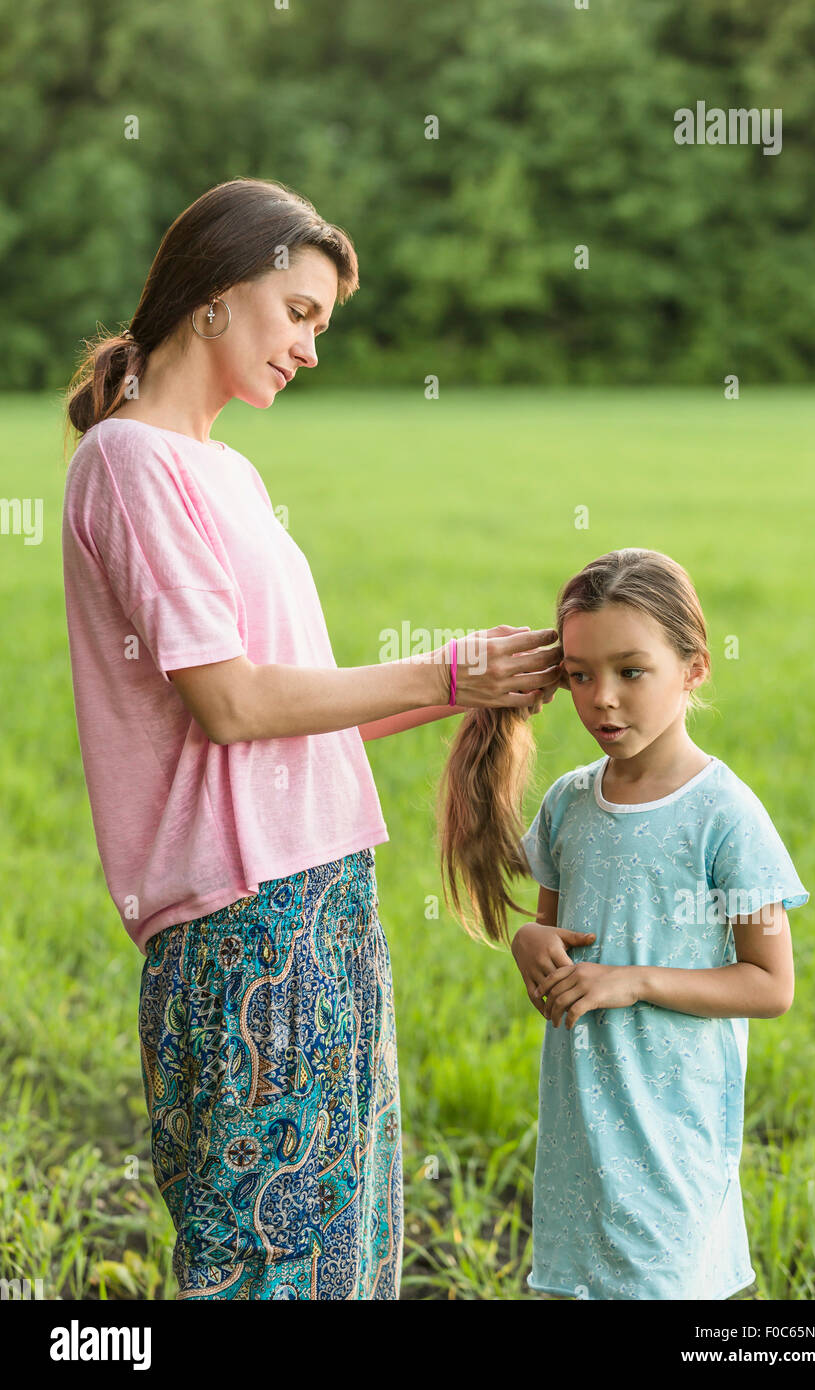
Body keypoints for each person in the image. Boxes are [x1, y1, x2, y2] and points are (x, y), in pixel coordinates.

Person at [60, 176, 563, 1301]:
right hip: (241, 924)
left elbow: (297, 712)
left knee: (345, 1248)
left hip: (325, 896)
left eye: (320, 325)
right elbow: (230, 705)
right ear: (214, 297)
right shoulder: (130, 464)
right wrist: (442, 666)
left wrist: (464, 684)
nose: (311, 348)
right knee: (265, 1263)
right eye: (300, 313)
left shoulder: (229, 471)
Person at [437, 547, 809, 1300]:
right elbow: (556, 954)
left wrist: (633, 981)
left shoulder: (725, 816)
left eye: (631, 672)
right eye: (580, 674)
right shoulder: (570, 805)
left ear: (694, 667)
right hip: (581, 1147)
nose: (601, 699)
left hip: (672, 1143)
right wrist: (527, 942)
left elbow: (771, 984)